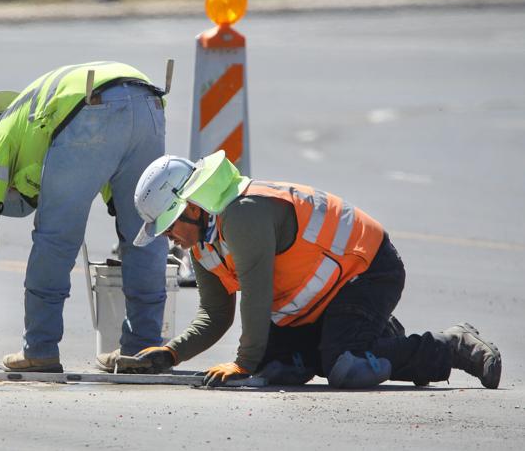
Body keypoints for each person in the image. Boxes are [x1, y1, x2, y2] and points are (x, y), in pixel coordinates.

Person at [126, 150, 501, 389]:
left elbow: (255, 296)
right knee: (276, 368)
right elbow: (215, 314)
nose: (170, 238)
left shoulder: (242, 213)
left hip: (365, 271)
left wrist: (242, 363)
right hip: (317, 302)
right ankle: (372, 336)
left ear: (193, 208)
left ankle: (451, 345)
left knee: (347, 368)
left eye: (169, 226)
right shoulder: (202, 244)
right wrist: (170, 354)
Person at [0, 61, 169, 373]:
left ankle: (40, 349)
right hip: (149, 102)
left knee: (56, 239)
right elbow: (124, 212)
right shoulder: (35, 120)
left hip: (91, 109)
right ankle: (143, 348)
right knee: (144, 229)